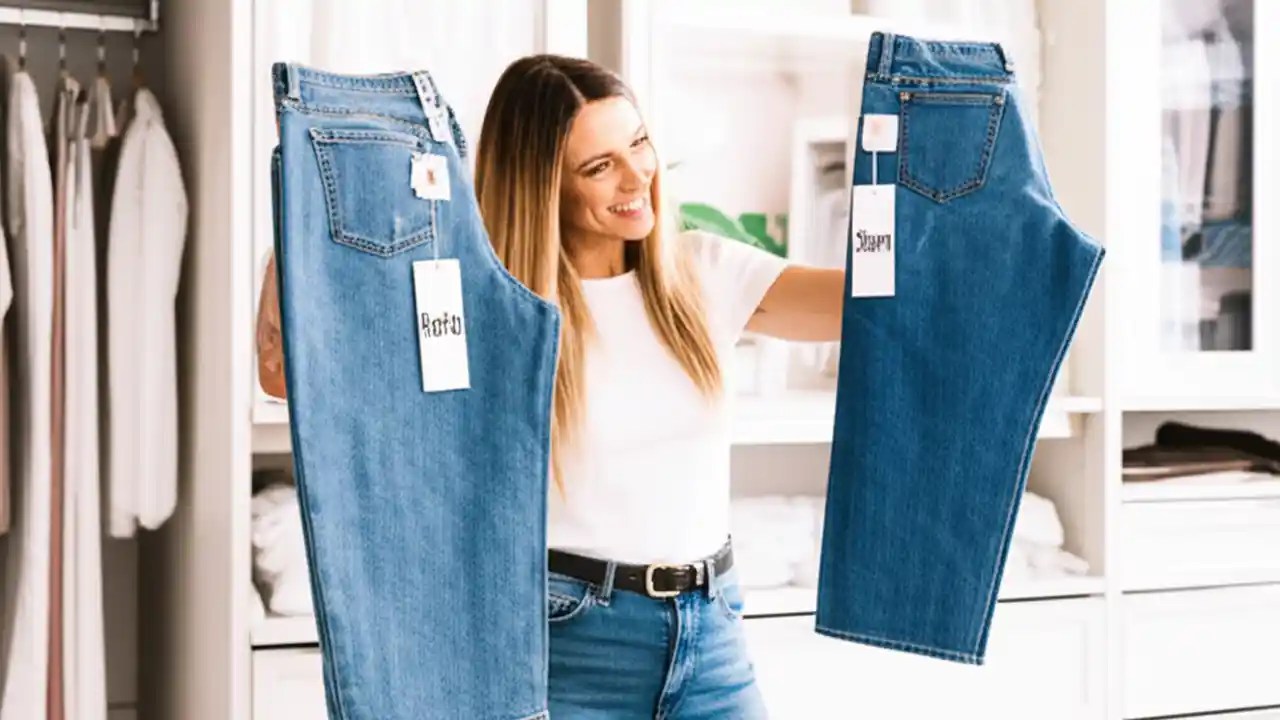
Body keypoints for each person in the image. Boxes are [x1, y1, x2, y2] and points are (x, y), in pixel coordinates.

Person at [256, 54, 844, 719]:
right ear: (544, 186)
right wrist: (299, 247)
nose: (637, 179)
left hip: (710, 640)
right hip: (565, 645)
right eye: (600, 168)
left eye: (639, 145)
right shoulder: (487, 305)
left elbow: (875, 306)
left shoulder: (704, 274)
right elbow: (284, 376)